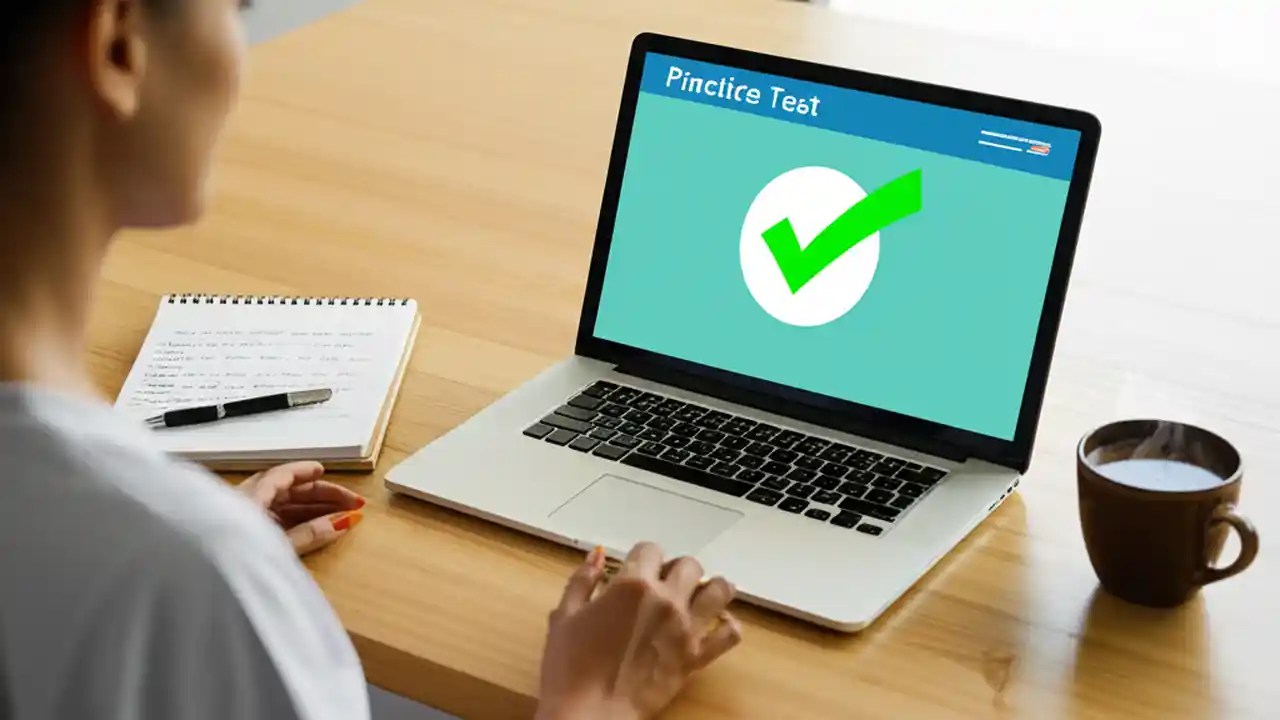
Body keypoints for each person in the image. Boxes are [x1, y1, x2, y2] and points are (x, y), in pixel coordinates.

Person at [0, 1, 743, 719]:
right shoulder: (181, 579)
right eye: (236, 7)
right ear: (118, 42)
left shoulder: (156, 558)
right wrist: (589, 702)